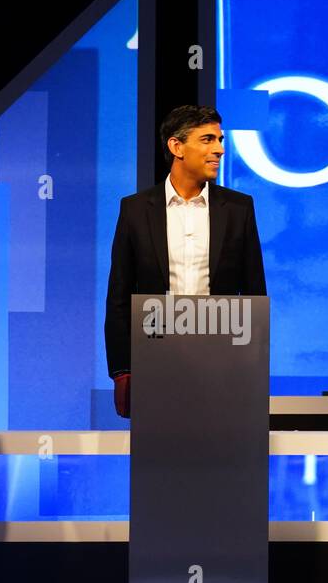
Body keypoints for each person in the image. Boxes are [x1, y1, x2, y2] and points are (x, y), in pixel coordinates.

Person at [104, 105, 267, 417]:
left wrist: (253, 366)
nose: (219, 149)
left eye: (220, 140)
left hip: (224, 363)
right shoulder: (135, 210)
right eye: (207, 140)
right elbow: (119, 297)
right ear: (176, 146)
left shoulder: (239, 208)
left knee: (221, 456)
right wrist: (122, 370)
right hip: (155, 357)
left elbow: (254, 294)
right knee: (161, 459)